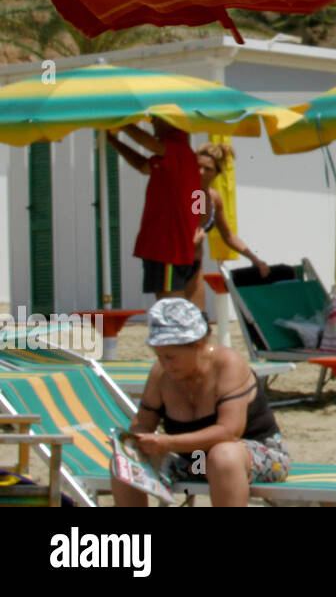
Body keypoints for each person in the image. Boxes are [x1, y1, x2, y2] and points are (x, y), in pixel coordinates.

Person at [112, 298, 289, 507]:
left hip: (252, 456)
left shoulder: (228, 365)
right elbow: (143, 422)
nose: (165, 365)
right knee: (123, 459)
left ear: (198, 345)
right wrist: (136, 439)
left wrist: (168, 443)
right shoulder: (160, 374)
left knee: (223, 455)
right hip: (192, 460)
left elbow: (229, 432)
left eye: (171, 357)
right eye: (160, 357)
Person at [107, 117, 202, 302]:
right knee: (168, 303)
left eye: (156, 119)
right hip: (163, 245)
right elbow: (142, 166)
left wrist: (121, 122)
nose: (152, 123)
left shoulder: (178, 149)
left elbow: (147, 142)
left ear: (170, 122)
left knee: (170, 304)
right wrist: (114, 142)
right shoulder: (173, 156)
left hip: (169, 247)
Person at [193, 142, 270, 311]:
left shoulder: (213, 198)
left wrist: (254, 259)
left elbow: (228, 236)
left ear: (217, 173)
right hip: (177, 264)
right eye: (197, 166)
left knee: (198, 319)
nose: (201, 172)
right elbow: (196, 227)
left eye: (207, 169)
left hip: (195, 265)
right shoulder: (195, 194)